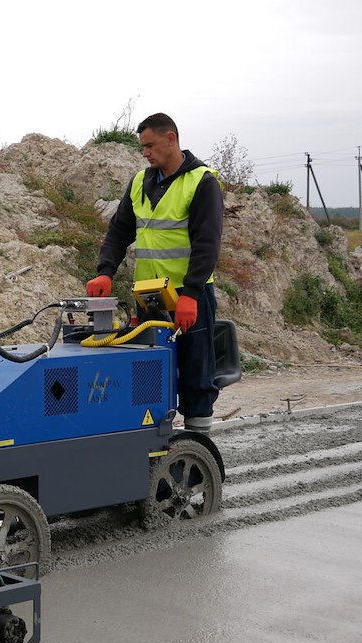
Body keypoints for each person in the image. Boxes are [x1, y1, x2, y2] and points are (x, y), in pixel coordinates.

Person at [87, 113, 223, 432]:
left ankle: (197, 451)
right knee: (151, 376)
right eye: (142, 147)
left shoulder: (201, 182)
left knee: (195, 376)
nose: (145, 153)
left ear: (171, 138)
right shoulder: (140, 182)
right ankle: (156, 447)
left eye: (149, 145)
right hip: (150, 298)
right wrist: (106, 271)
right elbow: (119, 232)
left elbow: (207, 244)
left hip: (189, 299)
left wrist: (191, 293)